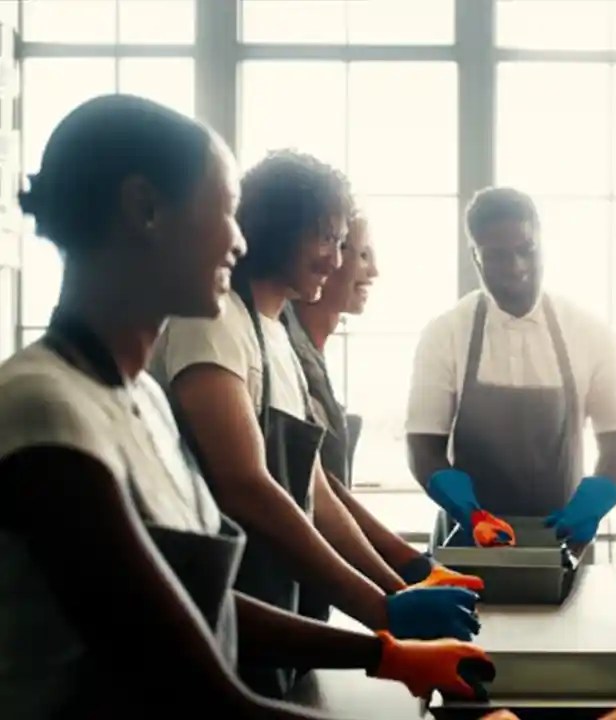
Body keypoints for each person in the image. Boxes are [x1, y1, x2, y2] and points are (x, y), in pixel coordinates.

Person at [0, 94, 491, 719]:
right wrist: (383, 625)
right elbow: (205, 690)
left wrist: (383, 651)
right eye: (226, 212)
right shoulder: (44, 412)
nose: (239, 240)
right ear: (145, 209)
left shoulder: (140, 399)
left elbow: (200, 605)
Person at [150, 149, 480, 699]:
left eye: (341, 242)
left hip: (280, 605)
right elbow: (245, 486)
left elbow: (316, 489)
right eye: (326, 239)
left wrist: (405, 580)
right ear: (277, 230)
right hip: (224, 606)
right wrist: (382, 612)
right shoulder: (213, 324)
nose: (335, 259)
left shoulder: (278, 333)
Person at [407, 187, 616, 550]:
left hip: (563, 538)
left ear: (543, 244)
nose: (516, 268)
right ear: (475, 257)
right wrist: (468, 512)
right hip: (471, 541)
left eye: (526, 250)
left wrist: (595, 501)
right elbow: (423, 449)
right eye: (497, 256)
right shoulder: (445, 333)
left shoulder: (590, 333)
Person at [283, 209, 483, 624]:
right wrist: (395, 589)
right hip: (285, 601)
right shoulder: (285, 353)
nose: (374, 270)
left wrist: (410, 569)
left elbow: (328, 488)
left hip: (310, 603)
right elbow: (313, 493)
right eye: (362, 254)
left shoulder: (309, 358)